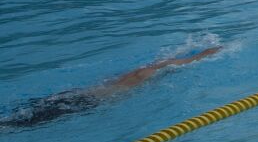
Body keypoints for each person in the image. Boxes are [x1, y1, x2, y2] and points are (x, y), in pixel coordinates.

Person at [5, 46, 223, 129]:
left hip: (76, 94)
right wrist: (205, 53)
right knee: (18, 125)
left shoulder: (137, 71)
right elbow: (182, 62)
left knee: (17, 118)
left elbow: (170, 60)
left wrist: (185, 51)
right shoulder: (148, 73)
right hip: (87, 102)